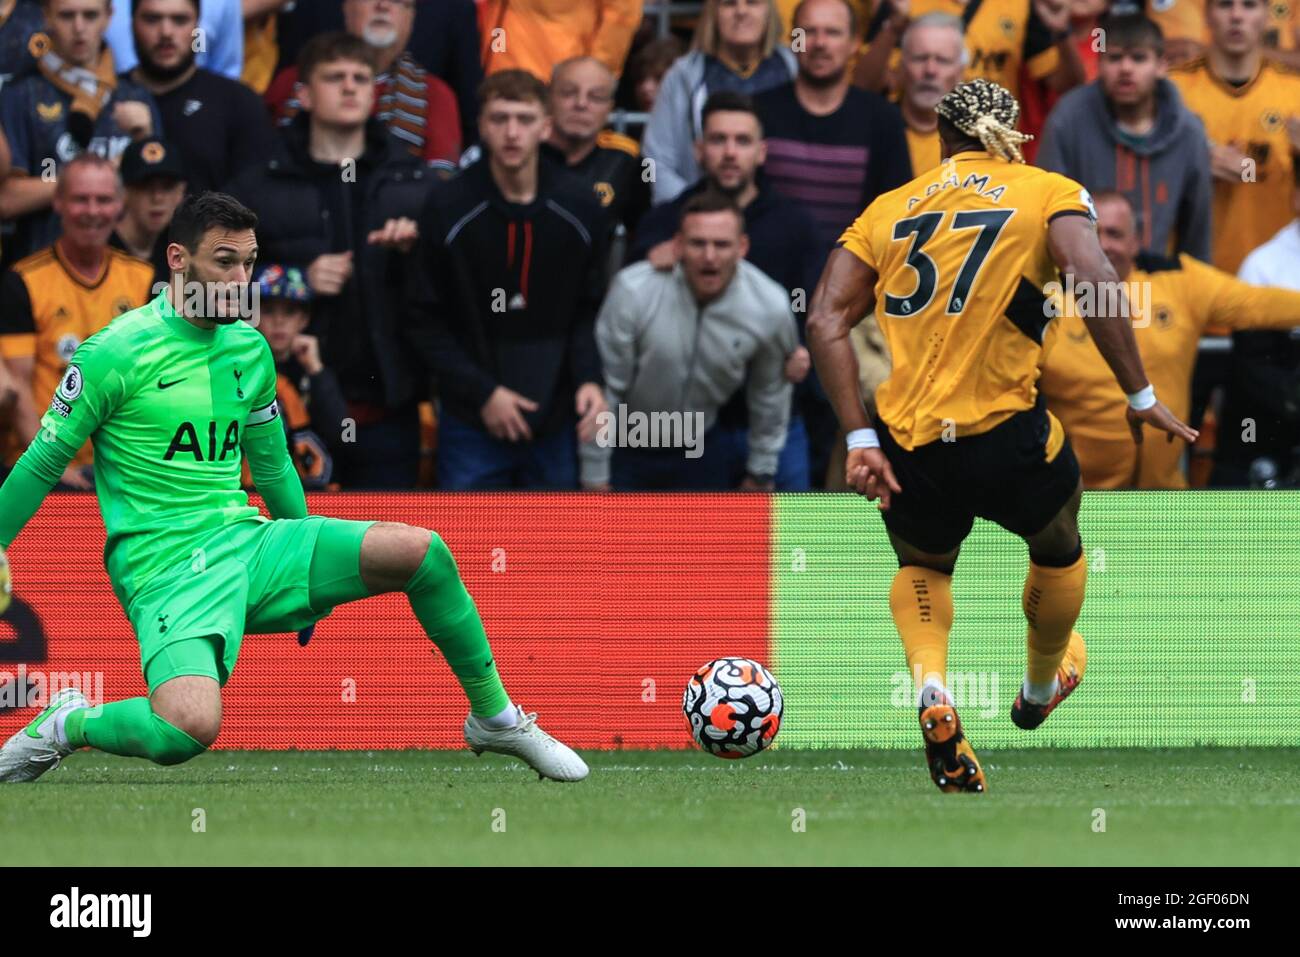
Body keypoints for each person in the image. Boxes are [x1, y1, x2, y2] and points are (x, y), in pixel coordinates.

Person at [0, 190, 589, 784]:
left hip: (249, 545)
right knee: (184, 730)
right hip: (165, 566)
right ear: (177, 260)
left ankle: (496, 718)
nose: (241, 278)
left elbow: (276, 465)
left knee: (422, 552)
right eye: (224, 261)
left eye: (249, 262)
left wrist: (301, 535)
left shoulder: (249, 349)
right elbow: (41, 463)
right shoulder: (114, 352)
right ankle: (68, 724)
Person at [806, 78, 1195, 793]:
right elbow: (1093, 273)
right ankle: (1041, 685)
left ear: (938, 133)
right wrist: (1138, 393)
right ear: (1015, 133)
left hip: (908, 444)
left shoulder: (887, 210)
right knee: (1058, 541)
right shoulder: (1047, 190)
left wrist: (860, 439)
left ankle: (930, 687)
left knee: (925, 565)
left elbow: (824, 318)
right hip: (1006, 433)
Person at [225, 32, 435, 491]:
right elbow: (215, 282)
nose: (349, 87)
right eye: (334, 77)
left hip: (388, 404)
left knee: (387, 548)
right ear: (302, 93)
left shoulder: (412, 177)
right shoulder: (259, 183)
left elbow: (451, 288)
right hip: (289, 404)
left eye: (361, 78)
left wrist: (415, 252)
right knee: (296, 551)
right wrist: (295, 278)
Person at [409, 70, 608, 491]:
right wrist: (483, 394)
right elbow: (422, 318)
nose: (512, 133)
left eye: (524, 119)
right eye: (499, 119)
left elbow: (590, 308)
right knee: (465, 550)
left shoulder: (580, 207)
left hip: (555, 419)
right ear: (481, 126)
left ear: (546, 126)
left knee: (553, 550)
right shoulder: (447, 207)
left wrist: (590, 377)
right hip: (471, 421)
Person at [1040, 190, 1300, 488]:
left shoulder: (1179, 282)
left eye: (1114, 233)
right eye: (1092, 234)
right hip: (1074, 496)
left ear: (1135, 241)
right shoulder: (1046, 298)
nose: (1103, 245)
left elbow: (1257, 304)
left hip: (1165, 498)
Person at [581, 191, 796, 491]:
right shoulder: (634, 290)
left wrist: (761, 471)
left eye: (721, 244)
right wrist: (595, 475)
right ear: (678, 244)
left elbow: (770, 393)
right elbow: (607, 388)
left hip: (702, 447)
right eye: (698, 243)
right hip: (626, 446)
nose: (710, 256)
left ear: (742, 247)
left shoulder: (769, 305)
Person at [0, 153, 154, 489]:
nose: (93, 211)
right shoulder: (23, 282)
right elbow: (18, 387)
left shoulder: (145, 280)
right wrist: (53, 468)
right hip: (40, 469)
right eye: (80, 200)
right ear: (58, 203)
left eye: (103, 200)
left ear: (119, 205)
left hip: (124, 472)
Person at [1037, 13, 1212, 263]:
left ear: (1162, 65)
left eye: (1139, 58)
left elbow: (1197, 231)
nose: (1126, 68)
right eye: (1115, 58)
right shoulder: (1068, 118)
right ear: (1098, 63)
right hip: (1077, 275)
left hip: (1157, 279)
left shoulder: (1189, 132)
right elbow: (1045, 211)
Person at [0, 0, 161, 264]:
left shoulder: (135, 97)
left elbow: (157, 200)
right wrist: (102, 176)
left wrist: (144, 143)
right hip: (40, 270)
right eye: (67, 15)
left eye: (90, 15)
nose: (79, 27)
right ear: (46, 17)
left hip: (125, 274)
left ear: (109, 16)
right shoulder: (19, 95)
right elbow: (6, 200)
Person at [265, 0, 462, 168]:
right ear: (347, 9)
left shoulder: (436, 95)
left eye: (397, 1)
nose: (383, 5)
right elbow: (267, 166)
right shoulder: (292, 81)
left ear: (410, 19)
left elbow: (440, 189)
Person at [643, 0, 798, 204]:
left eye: (752, 2)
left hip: (779, 218)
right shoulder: (683, 74)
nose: (741, 11)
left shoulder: (794, 69)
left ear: (769, 11)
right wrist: (692, 210)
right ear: (713, 13)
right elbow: (655, 161)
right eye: (729, 4)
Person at [126, 0, 276, 194]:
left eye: (180, 20)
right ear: (131, 25)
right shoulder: (107, 97)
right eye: (152, 19)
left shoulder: (239, 104)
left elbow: (256, 200)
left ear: (198, 27)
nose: (166, 32)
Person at [243, 263, 347, 492]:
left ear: (304, 318)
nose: (279, 321)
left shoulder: (316, 368)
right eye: (269, 311)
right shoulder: (240, 368)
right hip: (253, 493)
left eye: (289, 312)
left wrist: (317, 371)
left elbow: (346, 436)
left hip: (315, 493)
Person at [109, 135, 186, 286]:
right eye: (145, 186)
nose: (157, 198)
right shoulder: (100, 248)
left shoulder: (181, 254)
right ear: (124, 192)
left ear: (180, 192)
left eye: (167, 187)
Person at [897, 13, 966, 175]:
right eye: (920, 58)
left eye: (942, 60)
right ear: (902, 66)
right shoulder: (873, 129)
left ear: (960, 71)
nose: (930, 70)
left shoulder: (979, 144)